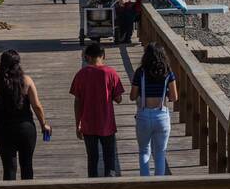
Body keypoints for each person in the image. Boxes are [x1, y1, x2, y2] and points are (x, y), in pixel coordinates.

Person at [0, 49, 49, 180]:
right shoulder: (27, 81)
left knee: (9, 168)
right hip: (26, 129)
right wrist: (44, 124)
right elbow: (37, 106)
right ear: (18, 63)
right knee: (27, 165)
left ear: (2, 64)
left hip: (3, 130)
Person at [70, 42, 125, 177]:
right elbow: (119, 99)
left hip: (88, 124)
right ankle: (109, 187)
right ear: (103, 56)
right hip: (107, 123)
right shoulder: (111, 73)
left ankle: (92, 188)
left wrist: (78, 124)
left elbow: (77, 102)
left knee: (92, 159)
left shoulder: (81, 74)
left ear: (88, 57)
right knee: (109, 158)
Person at [130, 43, 178, 176]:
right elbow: (174, 97)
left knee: (144, 151)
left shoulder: (141, 72)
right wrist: (165, 92)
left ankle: (145, 182)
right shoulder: (168, 72)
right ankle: (159, 184)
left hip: (144, 115)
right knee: (160, 152)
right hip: (161, 115)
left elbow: (132, 96)